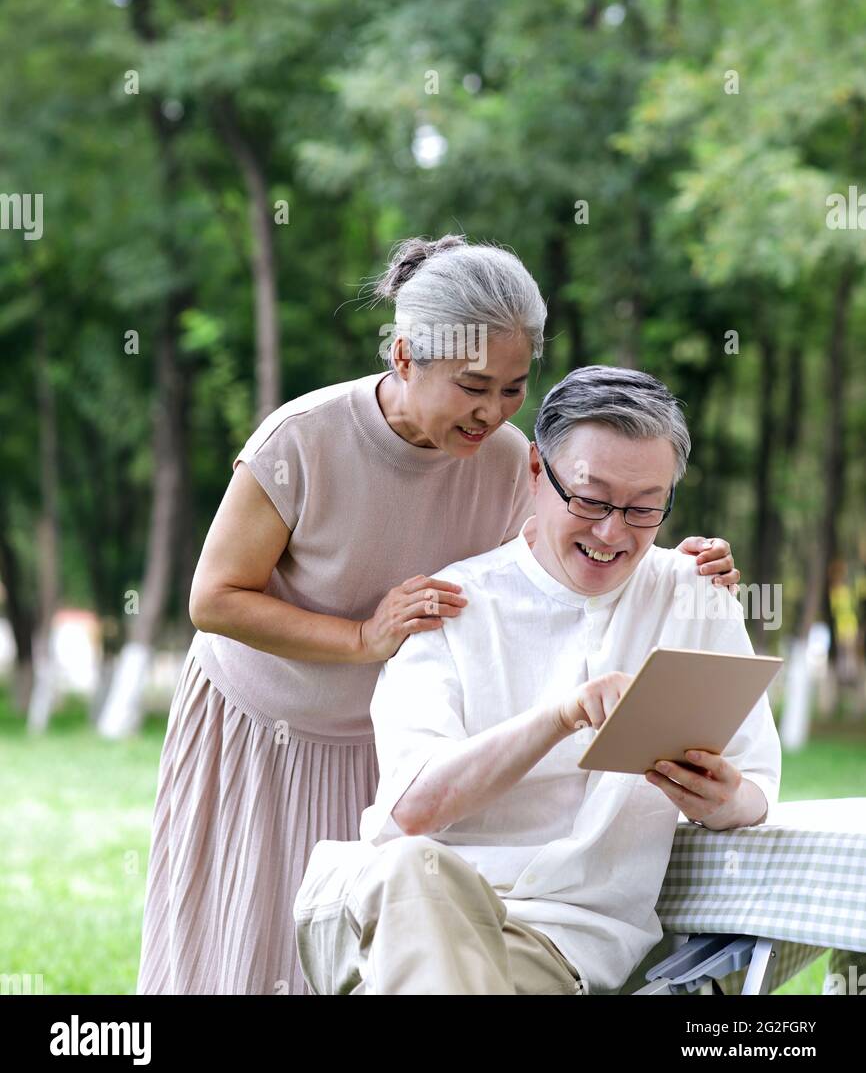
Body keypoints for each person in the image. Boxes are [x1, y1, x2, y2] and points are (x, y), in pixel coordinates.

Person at [137, 239, 740, 996]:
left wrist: (678, 562)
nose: (491, 411)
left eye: (514, 388)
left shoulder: (504, 456)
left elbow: (573, 544)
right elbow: (213, 600)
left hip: (392, 746)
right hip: (266, 727)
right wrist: (363, 639)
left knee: (368, 949)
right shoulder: (303, 439)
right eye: (472, 385)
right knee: (244, 952)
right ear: (403, 357)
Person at [293, 365, 781, 996]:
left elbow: (758, 786)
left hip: (555, 944)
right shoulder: (452, 605)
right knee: (413, 868)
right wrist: (562, 715)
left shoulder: (693, 598)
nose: (613, 533)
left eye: (643, 508)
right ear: (533, 472)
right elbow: (411, 811)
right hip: (406, 905)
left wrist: (724, 800)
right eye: (591, 499)